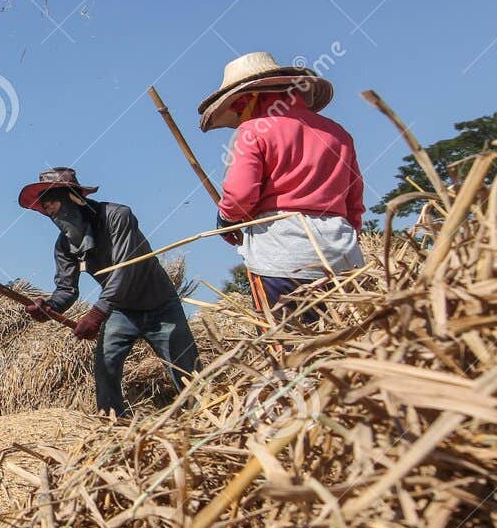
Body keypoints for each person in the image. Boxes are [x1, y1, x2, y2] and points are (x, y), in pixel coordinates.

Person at [19, 167, 199, 417]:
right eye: (46, 210)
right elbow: (66, 288)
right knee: (105, 368)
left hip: (161, 307)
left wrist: (97, 313)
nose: (51, 215)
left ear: (72, 198)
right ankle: (112, 426)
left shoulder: (117, 216)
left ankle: (200, 419)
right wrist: (51, 307)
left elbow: (127, 268)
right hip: (121, 311)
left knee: (188, 372)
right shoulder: (64, 245)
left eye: (53, 206)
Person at [198, 52, 365, 321]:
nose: (240, 116)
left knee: (288, 349)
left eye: (240, 108)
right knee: (349, 345)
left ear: (251, 98)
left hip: (282, 257)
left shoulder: (252, 131)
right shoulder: (339, 134)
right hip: (344, 258)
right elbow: (354, 205)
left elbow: (240, 197)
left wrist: (226, 220)